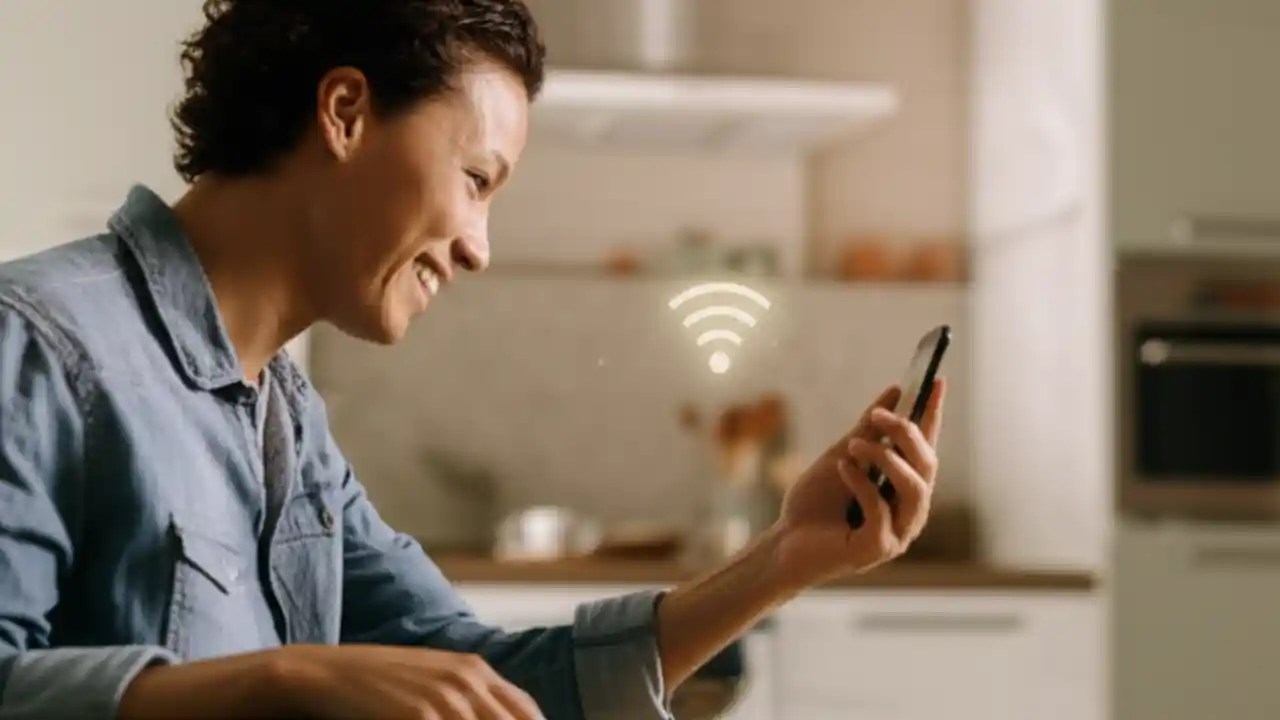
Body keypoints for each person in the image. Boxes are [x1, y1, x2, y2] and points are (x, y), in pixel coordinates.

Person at [0, 1, 946, 718]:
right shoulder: (38, 341)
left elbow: (484, 678)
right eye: (476, 180)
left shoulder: (287, 420)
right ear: (344, 112)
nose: (479, 247)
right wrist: (285, 677)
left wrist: (783, 560)